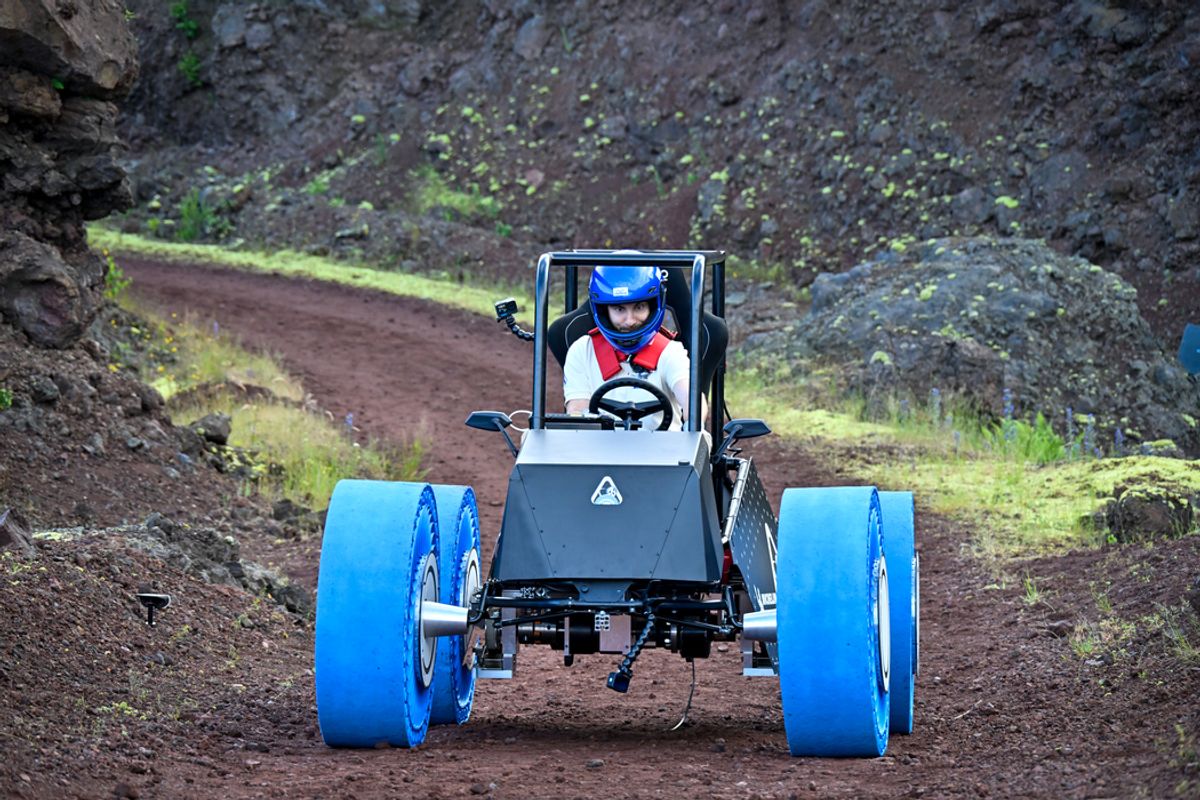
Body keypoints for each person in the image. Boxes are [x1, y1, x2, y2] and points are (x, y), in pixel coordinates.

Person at [562, 265, 706, 431]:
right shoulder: (582, 350)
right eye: (619, 309)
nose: (630, 320)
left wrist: (693, 424)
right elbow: (578, 409)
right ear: (604, 310)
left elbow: (691, 397)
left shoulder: (670, 352)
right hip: (601, 450)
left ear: (652, 307)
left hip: (663, 451)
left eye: (639, 307)